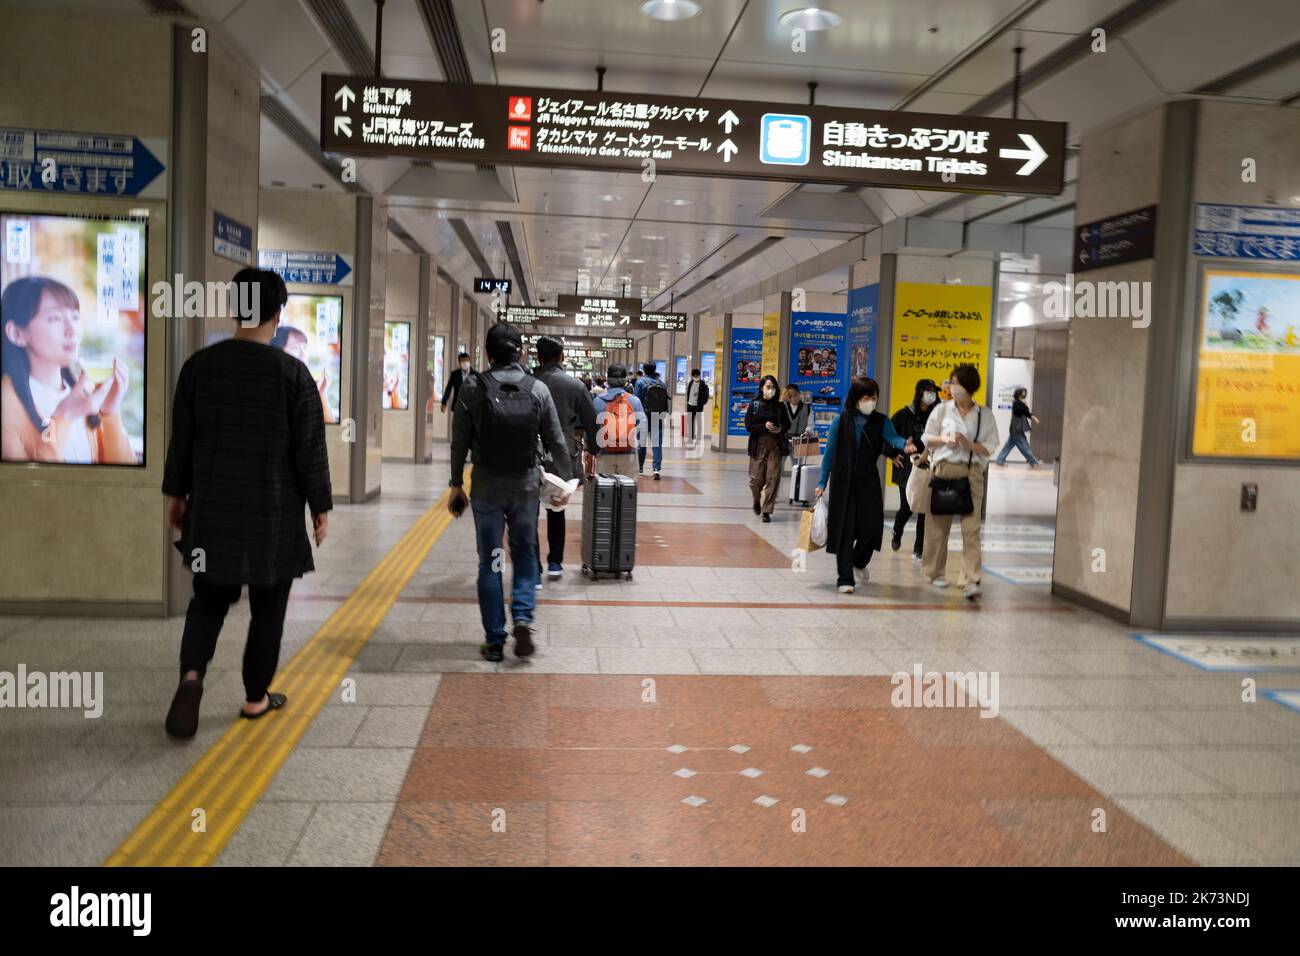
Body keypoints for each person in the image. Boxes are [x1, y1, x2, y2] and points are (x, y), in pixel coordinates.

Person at [161, 267, 332, 738]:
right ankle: (256, 698)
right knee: (268, 610)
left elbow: (183, 441)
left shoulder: (200, 367)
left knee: (207, 602)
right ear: (278, 314)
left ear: (235, 307)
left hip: (213, 512)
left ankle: (192, 677)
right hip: (272, 517)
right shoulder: (293, 375)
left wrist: (176, 495)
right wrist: (319, 506)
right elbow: (309, 449)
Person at [449, 324, 572, 663]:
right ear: (520, 353)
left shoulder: (473, 386)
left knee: (490, 561)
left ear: (486, 353)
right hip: (525, 486)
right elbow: (556, 440)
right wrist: (567, 480)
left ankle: (493, 639)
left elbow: (459, 441)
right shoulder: (538, 388)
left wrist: (456, 483)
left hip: (487, 486)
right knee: (524, 553)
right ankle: (522, 616)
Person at [1, 276, 135, 464]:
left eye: (74, 317)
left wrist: (110, 412)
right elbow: (31, 488)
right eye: (54, 318)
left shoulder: (85, 394)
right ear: (17, 333)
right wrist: (63, 416)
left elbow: (124, 479)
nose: (72, 330)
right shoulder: (6, 408)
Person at [816, 377, 913, 594]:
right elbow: (829, 454)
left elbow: (893, 438)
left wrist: (904, 445)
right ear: (856, 398)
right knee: (845, 530)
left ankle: (859, 562)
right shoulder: (841, 421)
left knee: (870, 529)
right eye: (866, 397)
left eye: (874, 397)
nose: (871, 401)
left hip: (868, 481)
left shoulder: (881, 421)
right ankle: (844, 578)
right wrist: (822, 482)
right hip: (843, 483)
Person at [922, 365, 1000, 600]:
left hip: (971, 473)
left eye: (956, 383)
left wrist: (967, 443)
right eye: (952, 383)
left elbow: (990, 446)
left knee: (971, 529)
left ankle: (971, 579)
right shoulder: (942, 410)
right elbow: (926, 437)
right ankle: (934, 573)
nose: (952, 387)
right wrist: (944, 439)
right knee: (937, 528)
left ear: (969, 387)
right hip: (944, 471)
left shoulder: (983, 414)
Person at [531, 336, 599, 580]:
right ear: (561, 357)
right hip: (563, 457)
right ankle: (555, 563)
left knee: (529, 511)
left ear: (538, 357)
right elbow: (592, 424)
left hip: (530, 455)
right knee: (556, 508)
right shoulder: (575, 386)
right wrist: (593, 450)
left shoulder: (528, 382)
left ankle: (533, 566)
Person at [889, 378, 938, 560]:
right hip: (906, 468)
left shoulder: (936, 415)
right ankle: (897, 530)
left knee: (925, 508)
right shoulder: (903, 415)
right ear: (920, 393)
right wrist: (891, 455)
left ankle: (919, 549)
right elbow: (888, 436)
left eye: (934, 391)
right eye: (928, 391)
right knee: (908, 506)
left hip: (929, 467)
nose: (931, 395)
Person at [744, 375, 792, 523]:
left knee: (773, 479)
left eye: (773, 387)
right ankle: (756, 500)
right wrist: (764, 426)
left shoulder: (780, 407)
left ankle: (767, 510)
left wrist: (780, 429)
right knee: (755, 481)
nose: (771, 390)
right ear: (762, 388)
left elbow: (787, 424)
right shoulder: (754, 405)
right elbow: (748, 426)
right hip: (757, 447)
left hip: (775, 447)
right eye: (768, 387)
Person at [271, 324, 337, 424]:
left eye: (304, 347)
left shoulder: (306, 385)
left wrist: (322, 394)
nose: (303, 354)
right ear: (278, 351)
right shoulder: (273, 386)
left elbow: (330, 426)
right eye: (295, 348)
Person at [591, 364, 644, 478]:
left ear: (607, 380)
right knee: (627, 492)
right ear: (625, 381)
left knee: (605, 492)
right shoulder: (634, 401)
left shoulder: (598, 401)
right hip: (629, 454)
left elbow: (591, 428)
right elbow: (642, 428)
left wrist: (589, 449)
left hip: (604, 453)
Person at [633, 361, 670, 479]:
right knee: (657, 444)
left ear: (644, 370)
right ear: (654, 370)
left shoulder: (640, 382)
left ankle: (640, 468)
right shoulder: (662, 384)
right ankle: (656, 469)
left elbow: (636, 401)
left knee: (642, 443)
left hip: (644, 416)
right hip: (657, 417)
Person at [994, 387, 1041, 467]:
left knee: (1008, 446)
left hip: (1016, 430)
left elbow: (1026, 412)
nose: (1024, 394)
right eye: (1023, 392)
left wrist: (1026, 407)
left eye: (1024, 392)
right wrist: (1033, 416)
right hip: (1017, 430)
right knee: (1025, 447)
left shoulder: (1019, 403)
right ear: (1019, 393)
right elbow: (1025, 412)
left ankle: (1000, 460)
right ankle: (1034, 462)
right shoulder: (1017, 403)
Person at [684, 367, 710, 444]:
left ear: (699, 375)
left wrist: (702, 403)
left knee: (698, 423)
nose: (696, 377)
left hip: (698, 406)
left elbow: (706, 395)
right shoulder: (691, 383)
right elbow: (688, 393)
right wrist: (688, 402)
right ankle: (690, 438)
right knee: (690, 422)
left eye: (697, 375)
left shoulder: (703, 384)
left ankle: (698, 439)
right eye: (694, 376)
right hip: (690, 405)